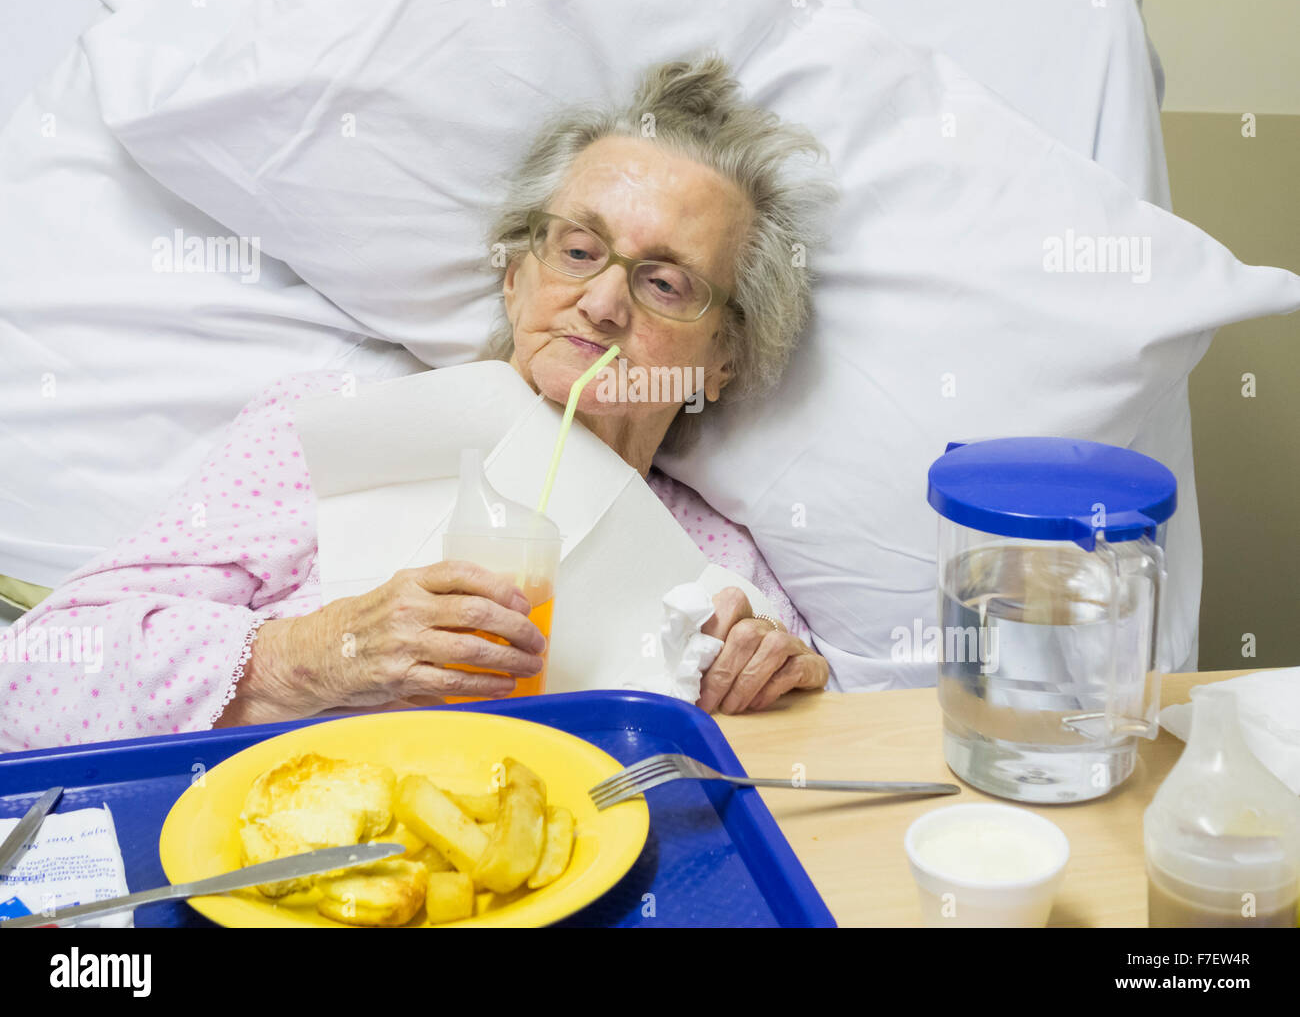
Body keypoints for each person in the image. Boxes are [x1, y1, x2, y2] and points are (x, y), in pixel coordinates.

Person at [0, 53, 838, 751]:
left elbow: (812, 773)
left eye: (664, 282)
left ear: (723, 358)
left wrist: (781, 685)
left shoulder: (722, 563)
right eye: (578, 250)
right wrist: (315, 653)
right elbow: (30, 680)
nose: (604, 302)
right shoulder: (332, 436)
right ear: (517, 278)